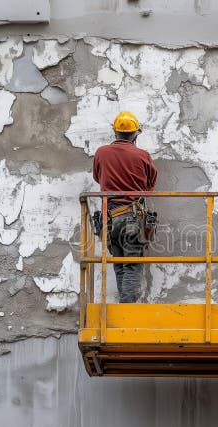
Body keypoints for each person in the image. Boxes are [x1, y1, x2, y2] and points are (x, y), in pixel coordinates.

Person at [92, 111, 158, 303]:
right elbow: (150, 184)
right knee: (132, 265)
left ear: (115, 133)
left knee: (119, 264)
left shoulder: (101, 153)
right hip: (132, 217)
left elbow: (98, 178)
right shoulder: (142, 155)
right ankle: (126, 308)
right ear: (135, 135)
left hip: (109, 218)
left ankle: (123, 306)